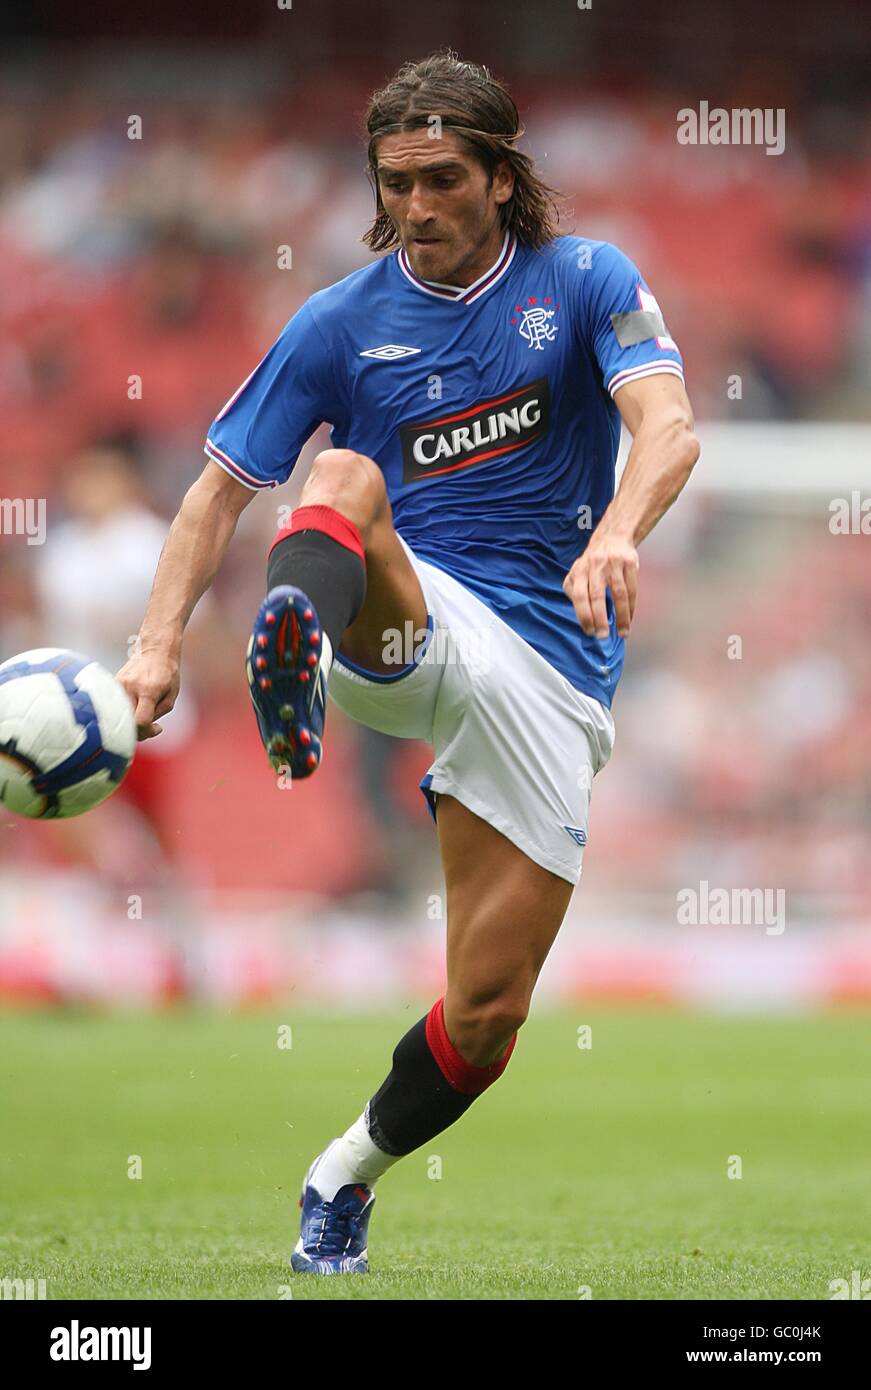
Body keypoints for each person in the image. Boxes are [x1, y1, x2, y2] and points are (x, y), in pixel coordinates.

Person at [117, 51, 700, 1275]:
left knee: (487, 1020)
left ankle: (340, 1175)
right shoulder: (338, 321)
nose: (420, 206)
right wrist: (157, 643)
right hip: (406, 616)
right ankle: (296, 639)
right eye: (398, 183)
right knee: (341, 479)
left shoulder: (585, 280)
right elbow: (216, 493)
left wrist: (612, 531)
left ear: (501, 177)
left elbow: (669, 428)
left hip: (549, 671)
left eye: (445, 179)